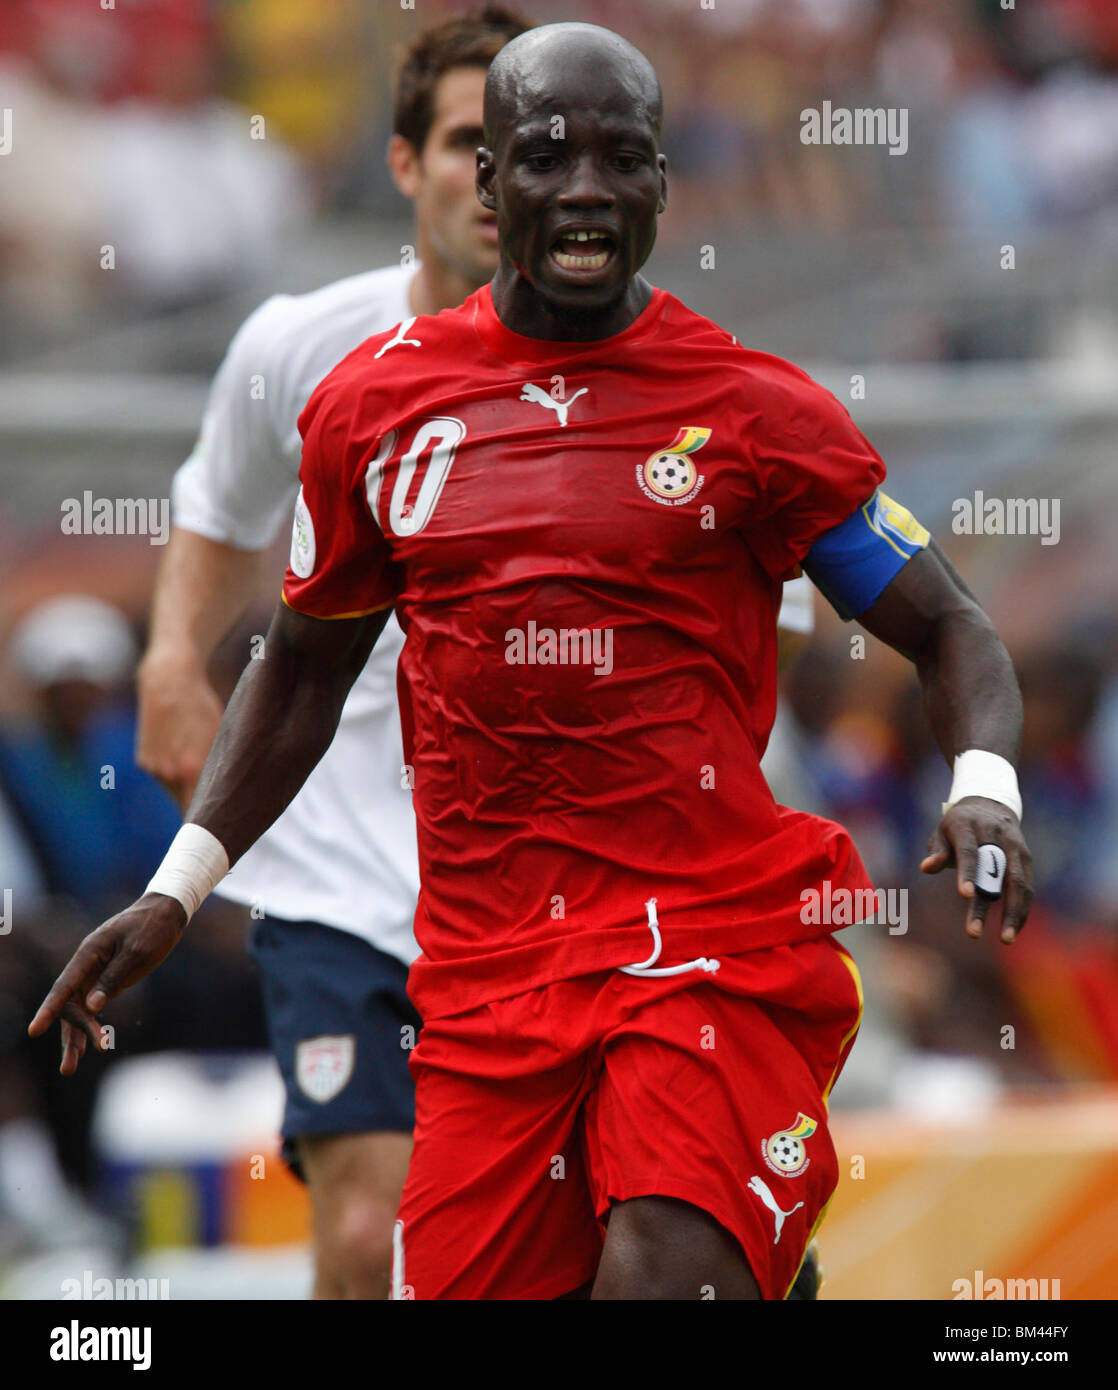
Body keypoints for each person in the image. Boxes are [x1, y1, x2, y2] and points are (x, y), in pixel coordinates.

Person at [32, 22, 1034, 1301]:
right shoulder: (367, 411)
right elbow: (298, 671)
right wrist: (177, 888)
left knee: (660, 1271)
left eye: (624, 158)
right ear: (486, 183)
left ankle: (725, 1225)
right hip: (489, 976)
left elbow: (947, 622)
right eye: (546, 157)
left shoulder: (757, 413)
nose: (585, 189)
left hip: (703, 942)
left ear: (664, 185)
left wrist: (983, 781)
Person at [133, 6, 530, 1300]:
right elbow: (213, 505)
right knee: (366, 1226)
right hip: (329, 866)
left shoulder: (633, 380)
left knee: (525, 1235)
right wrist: (171, 662)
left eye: (522, 144)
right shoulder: (301, 347)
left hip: (529, 879)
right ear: (406, 163)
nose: (493, 175)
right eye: (467, 140)